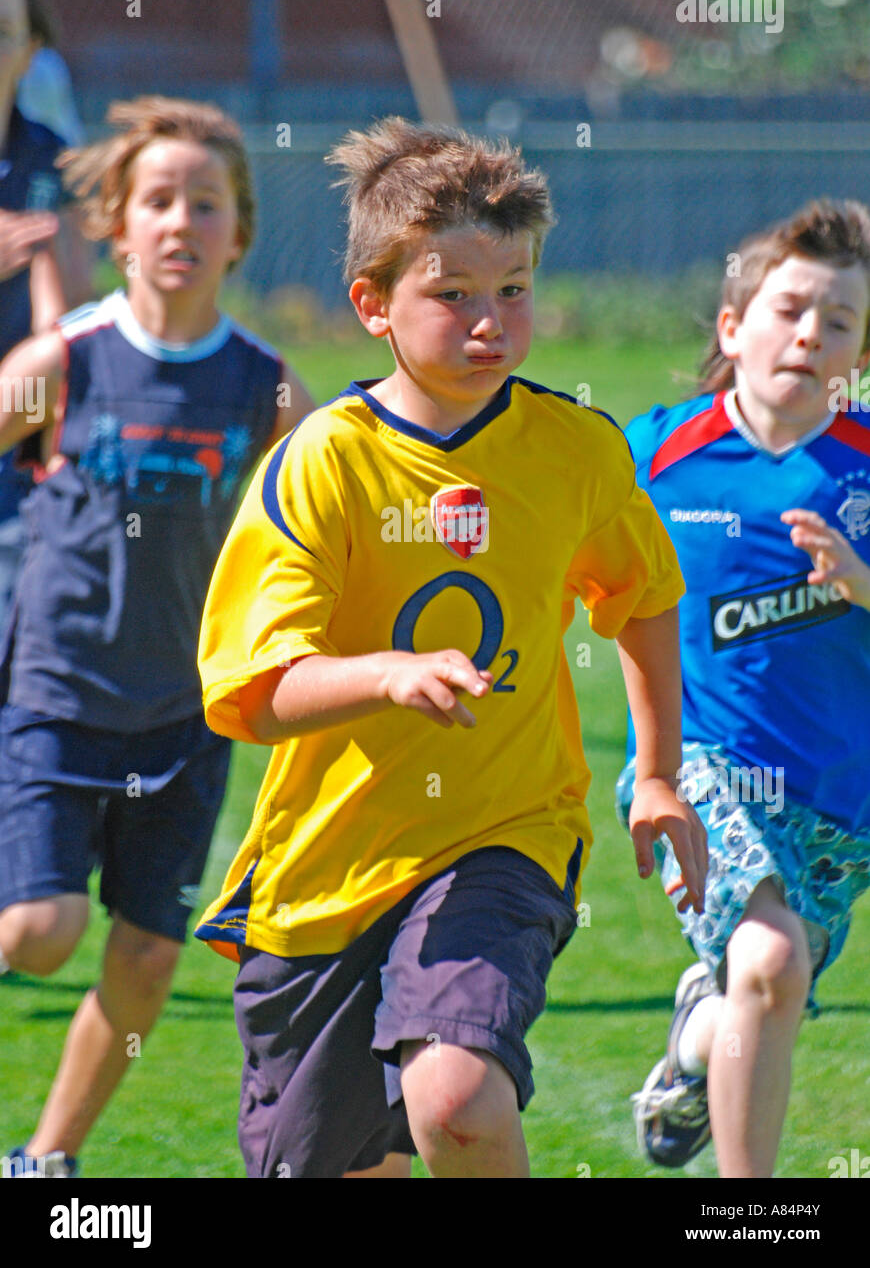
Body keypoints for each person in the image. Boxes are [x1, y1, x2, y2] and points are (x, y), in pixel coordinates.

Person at [194, 116, 707, 1179]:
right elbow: (253, 691)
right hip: (327, 874)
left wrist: (655, 773)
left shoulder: (576, 448)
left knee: (458, 1094)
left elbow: (644, 596)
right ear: (373, 306)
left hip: (507, 835)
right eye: (454, 293)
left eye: (511, 289)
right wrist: (389, 673)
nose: (490, 320)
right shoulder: (323, 463)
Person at [0, 95, 314, 1178]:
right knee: (36, 931)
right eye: (159, 201)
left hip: (187, 712)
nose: (181, 222)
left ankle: (45, 1160)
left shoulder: (266, 387)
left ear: (241, 230)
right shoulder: (67, 358)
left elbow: (329, 524)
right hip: (54, 687)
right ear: (119, 227)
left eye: (207, 203)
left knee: (144, 955)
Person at [619, 199, 870, 1178]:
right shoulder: (655, 453)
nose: (811, 333)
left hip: (838, 806)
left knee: (758, 992)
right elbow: (557, 544)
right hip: (697, 771)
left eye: (839, 321)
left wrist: (860, 583)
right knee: (767, 962)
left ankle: (692, 1045)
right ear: (733, 327)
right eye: (791, 308)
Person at [0, 0, 91, 629]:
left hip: (19, 428)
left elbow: (73, 303)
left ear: (31, 52)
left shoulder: (47, 155)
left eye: (4, 34)